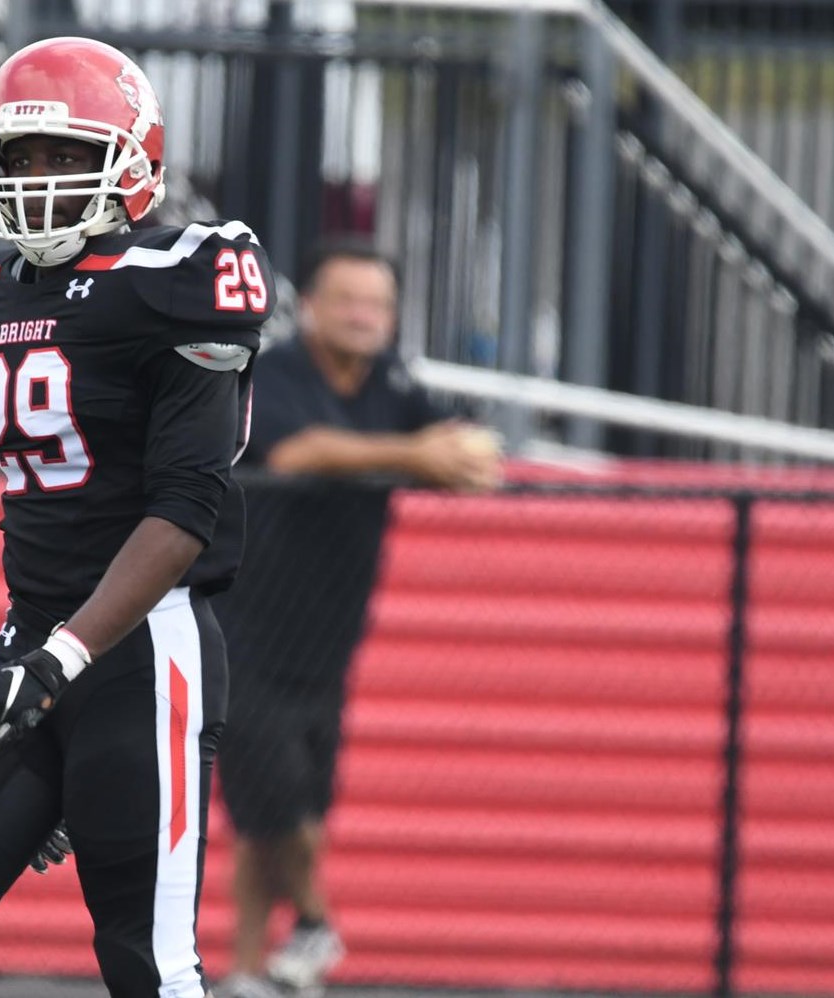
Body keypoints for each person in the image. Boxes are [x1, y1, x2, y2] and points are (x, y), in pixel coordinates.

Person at [0, 36, 274, 998]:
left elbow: (184, 509)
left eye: (63, 153)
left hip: (142, 648)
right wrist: (39, 662)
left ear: (133, 159)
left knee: (147, 965)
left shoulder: (183, 273)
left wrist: (64, 659)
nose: (36, 178)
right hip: (31, 649)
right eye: (17, 156)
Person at [212, 240, 503, 998]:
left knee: (274, 817)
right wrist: (415, 455)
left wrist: (459, 452)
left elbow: (466, 449)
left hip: (330, 637)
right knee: (277, 801)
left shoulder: (396, 383)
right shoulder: (272, 372)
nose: (363, 316)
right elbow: (300, 453)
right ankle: (314, 920)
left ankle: (248, 971)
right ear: (309, 305)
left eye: (377, 303)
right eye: (347, 300)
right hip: (242, 626)